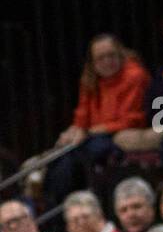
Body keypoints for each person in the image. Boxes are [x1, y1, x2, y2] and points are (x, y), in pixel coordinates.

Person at [42, 34, 149, 204]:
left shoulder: (135, 75)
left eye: (111, 55)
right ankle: (53, 206)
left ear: (120, 54)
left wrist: (92, 131)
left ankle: (66, 206)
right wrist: (74, 131)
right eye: (100, 58)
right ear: (92, 62)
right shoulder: (89, 78)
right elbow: (82, 113)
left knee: (80, 156)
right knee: (59, 156)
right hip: (93, 135)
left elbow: (133, 118)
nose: (107, 62)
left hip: (118, 134)